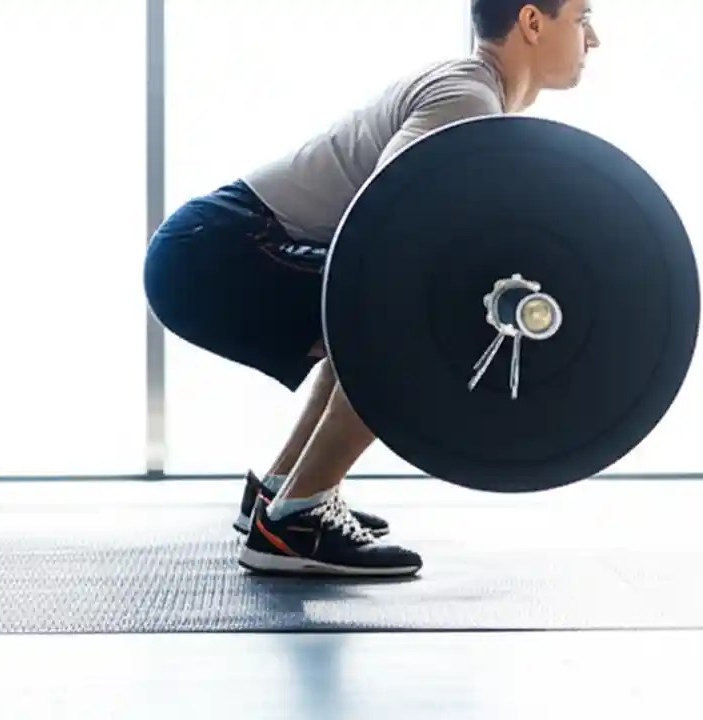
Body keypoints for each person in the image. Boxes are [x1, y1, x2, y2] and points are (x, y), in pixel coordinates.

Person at [142, 0, 599, 578]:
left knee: (380, 307)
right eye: (582, 19)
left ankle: (284, 494)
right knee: (414, 320)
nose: (595, 39)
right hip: (217, 252)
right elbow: (385, 233)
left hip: (205, 247)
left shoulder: (471, 92)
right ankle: (296, 522)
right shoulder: (467, 101)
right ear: (532, 23)